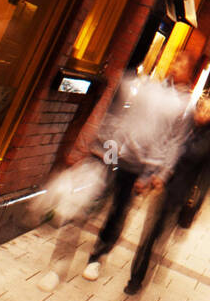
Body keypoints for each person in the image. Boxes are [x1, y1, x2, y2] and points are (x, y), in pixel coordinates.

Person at [80, 53, 195, 285]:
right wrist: (106, 148)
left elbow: (175, 143)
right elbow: (124, 116)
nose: (175, 65)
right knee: (97, 196)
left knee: (119, 211)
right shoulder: (151, 88)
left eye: (181, 63)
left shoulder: (185, 106)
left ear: (190, 71)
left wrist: (158, 174)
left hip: (141, 167)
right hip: (117, 154)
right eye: (175, 60)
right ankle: (78, 234)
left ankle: (98, 256)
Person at [125, 92, 210, 292]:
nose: (202, 114)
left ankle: (150, 257)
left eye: (208, 112)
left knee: (160, 232)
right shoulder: (184, 127)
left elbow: (206, 177)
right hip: (162, 186)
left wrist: (195, 206)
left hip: (181, 192)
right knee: (149, 233)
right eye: (201, 108)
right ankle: (136, 278)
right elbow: (165, 148)